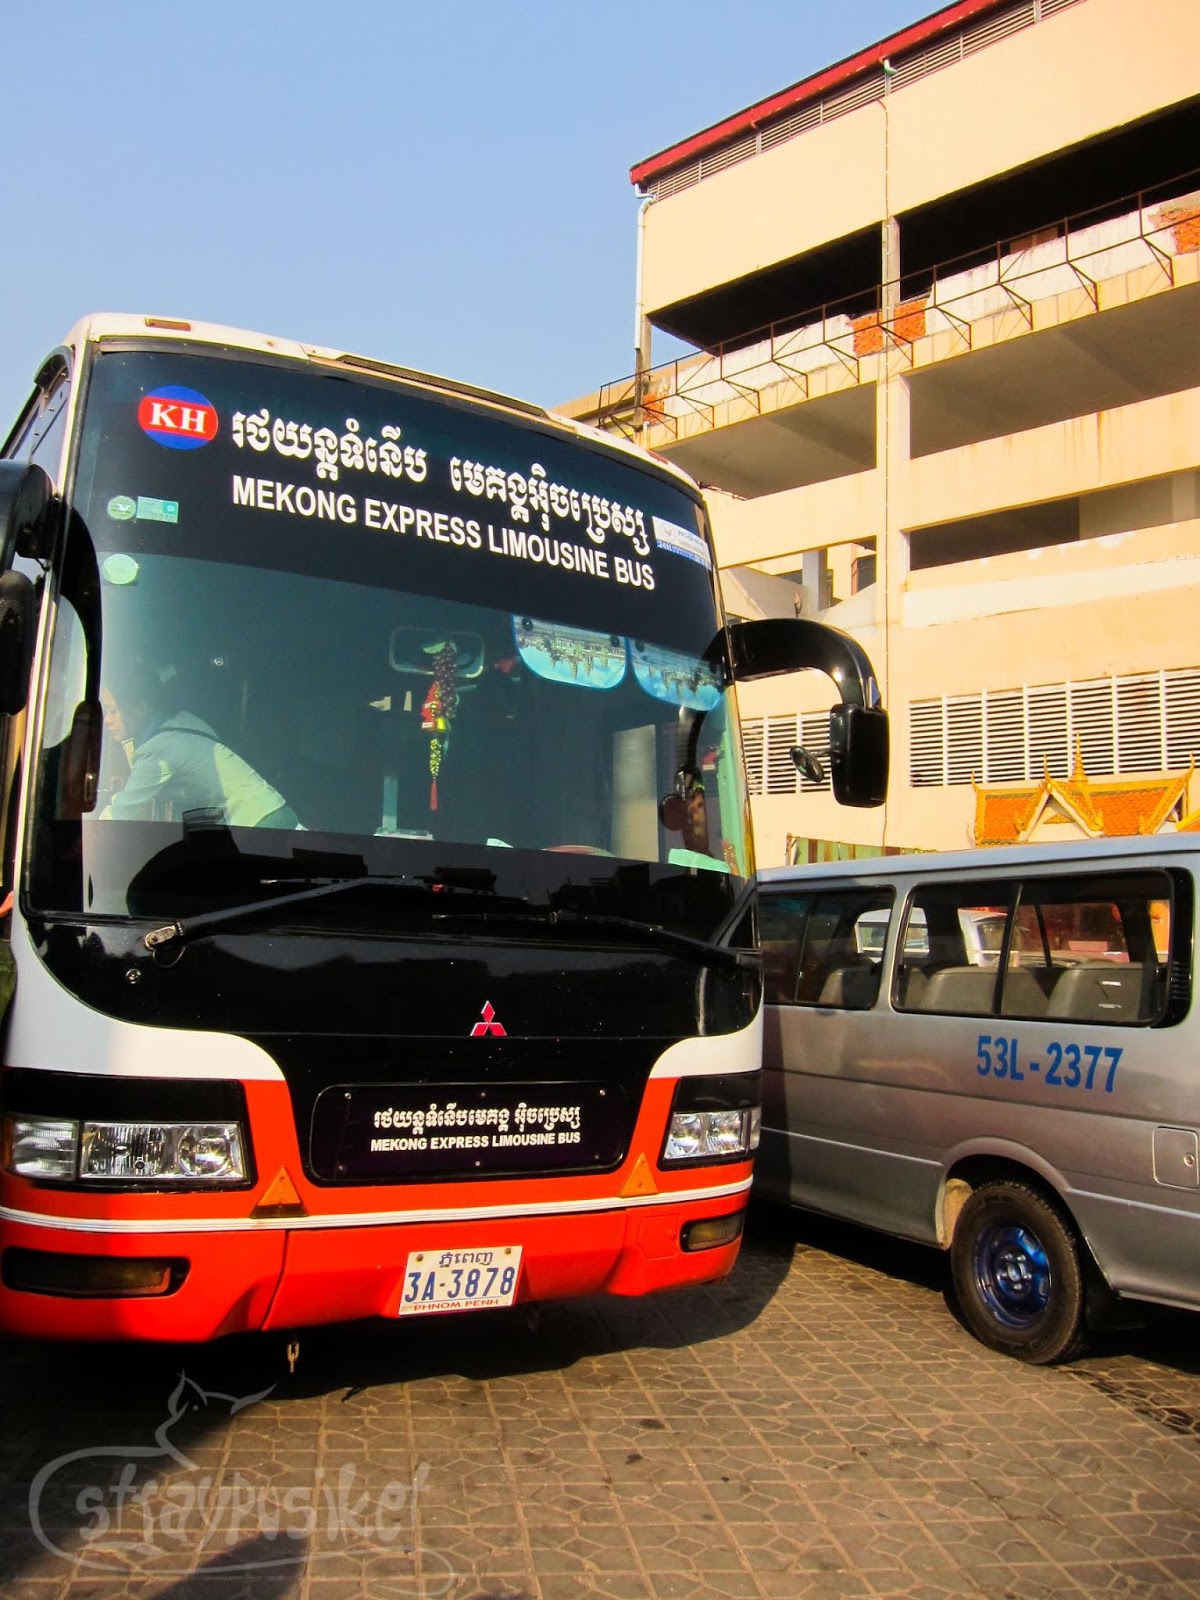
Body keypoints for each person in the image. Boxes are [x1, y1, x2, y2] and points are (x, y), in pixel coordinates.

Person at [100, 657, 300, 828]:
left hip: (257, 826)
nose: (107, 720)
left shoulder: (159, 750)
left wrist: (80, 838)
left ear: (141, 708)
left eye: (113, 711)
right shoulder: (181, 722)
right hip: (273, 813)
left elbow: (121, 812)